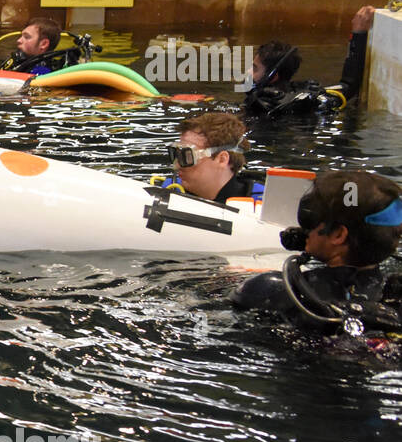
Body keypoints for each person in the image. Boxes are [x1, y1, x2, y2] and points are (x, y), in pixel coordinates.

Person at [234, 170, 402, 336]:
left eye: (310, 220)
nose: (305, 229)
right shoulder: (391, 302)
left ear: (338, 235)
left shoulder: (276, 291)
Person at [241, 6, 373, 116]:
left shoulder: (267, 107)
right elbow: (348, 87)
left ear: (273, 77)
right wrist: (358, 33)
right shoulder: (304, 95)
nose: (248, 71)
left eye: (255, 68)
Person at [156, 112, 263, 203]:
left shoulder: (262, 205)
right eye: (176, 154)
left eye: (188, 156)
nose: (177, 165)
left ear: (222, 159)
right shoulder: (170, 190)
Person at [0, 17, 66, 73]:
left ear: (43, 44)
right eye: (21, 36)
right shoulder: (20, 60)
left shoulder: (42, 71)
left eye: (27, 37)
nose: (19, 40)